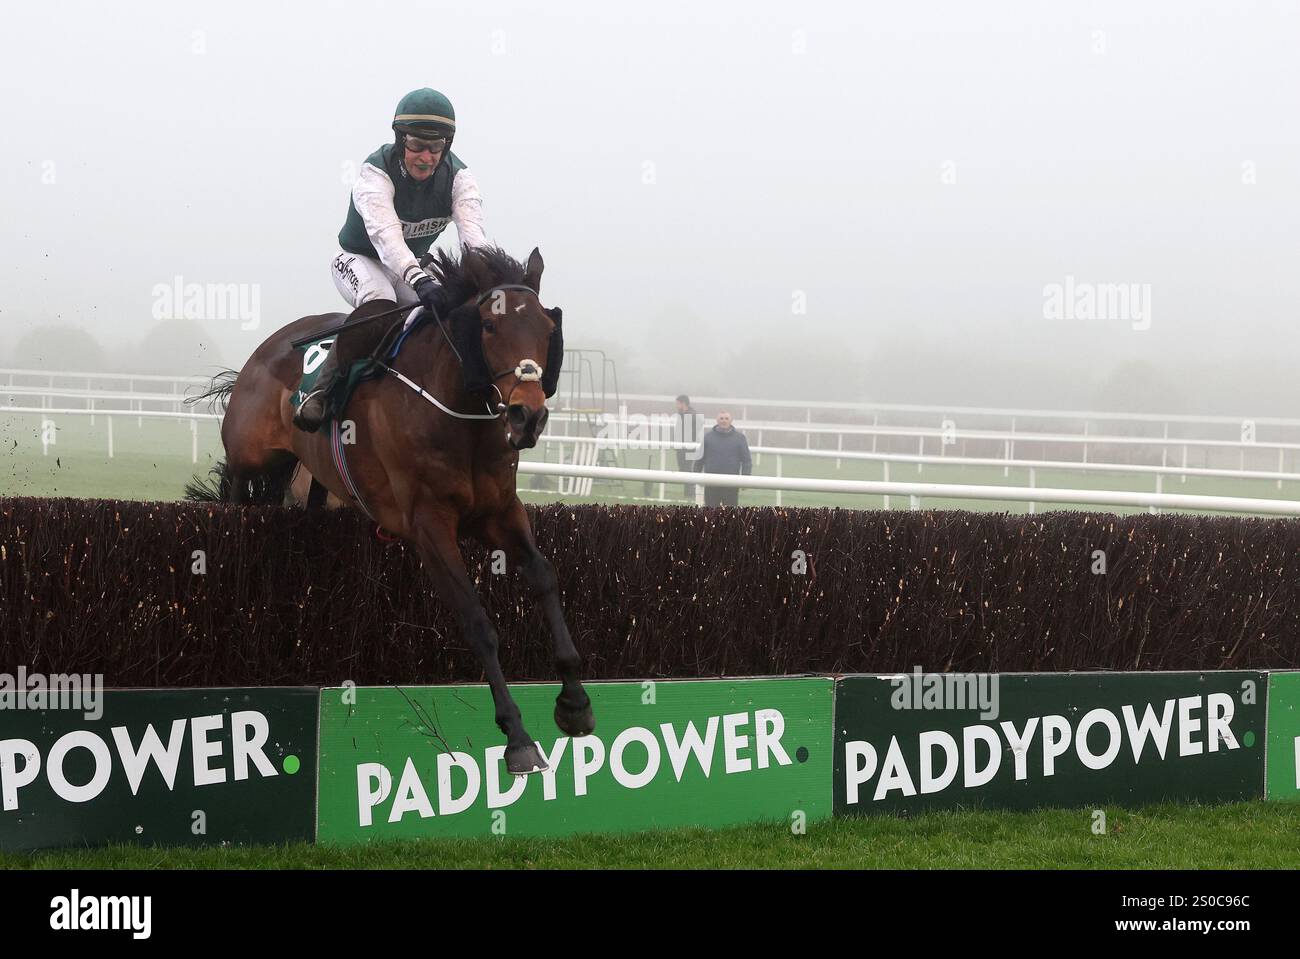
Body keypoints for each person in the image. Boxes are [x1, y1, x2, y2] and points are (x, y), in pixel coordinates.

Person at [294, 87, 488, 431]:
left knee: (451, 311)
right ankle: (321, 391)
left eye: (436, 147)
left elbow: (474, 239)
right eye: (416, 145)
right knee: (380, 302)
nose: (426, 157)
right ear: (400, 141)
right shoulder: (374, 174)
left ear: (448, 146)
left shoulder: (460, 179)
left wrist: (483, 281)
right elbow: (388, 239)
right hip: (359, 258)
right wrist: (420, 279)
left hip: (408, 263)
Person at [694, 411, 752, 507]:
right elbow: (700, 459)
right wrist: (695, 476)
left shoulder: (740, 438)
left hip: (731, 484)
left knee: (730, 515)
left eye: (726, 418)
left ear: (731, 421)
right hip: (711, 483)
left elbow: (746, 461)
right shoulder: (708, 437)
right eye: (721, 418)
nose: (724, 421)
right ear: (717, 420)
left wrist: (745, 479)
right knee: (710, 513)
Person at [672, 394, 701, 500]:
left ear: (683, 403)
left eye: (677, 403)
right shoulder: (681, 414)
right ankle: (688, 493)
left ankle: (690, 493)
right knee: (683, 469)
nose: (676, 405)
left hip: (689, 446)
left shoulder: (693, 414)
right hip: (681, 447)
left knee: (688, 468)